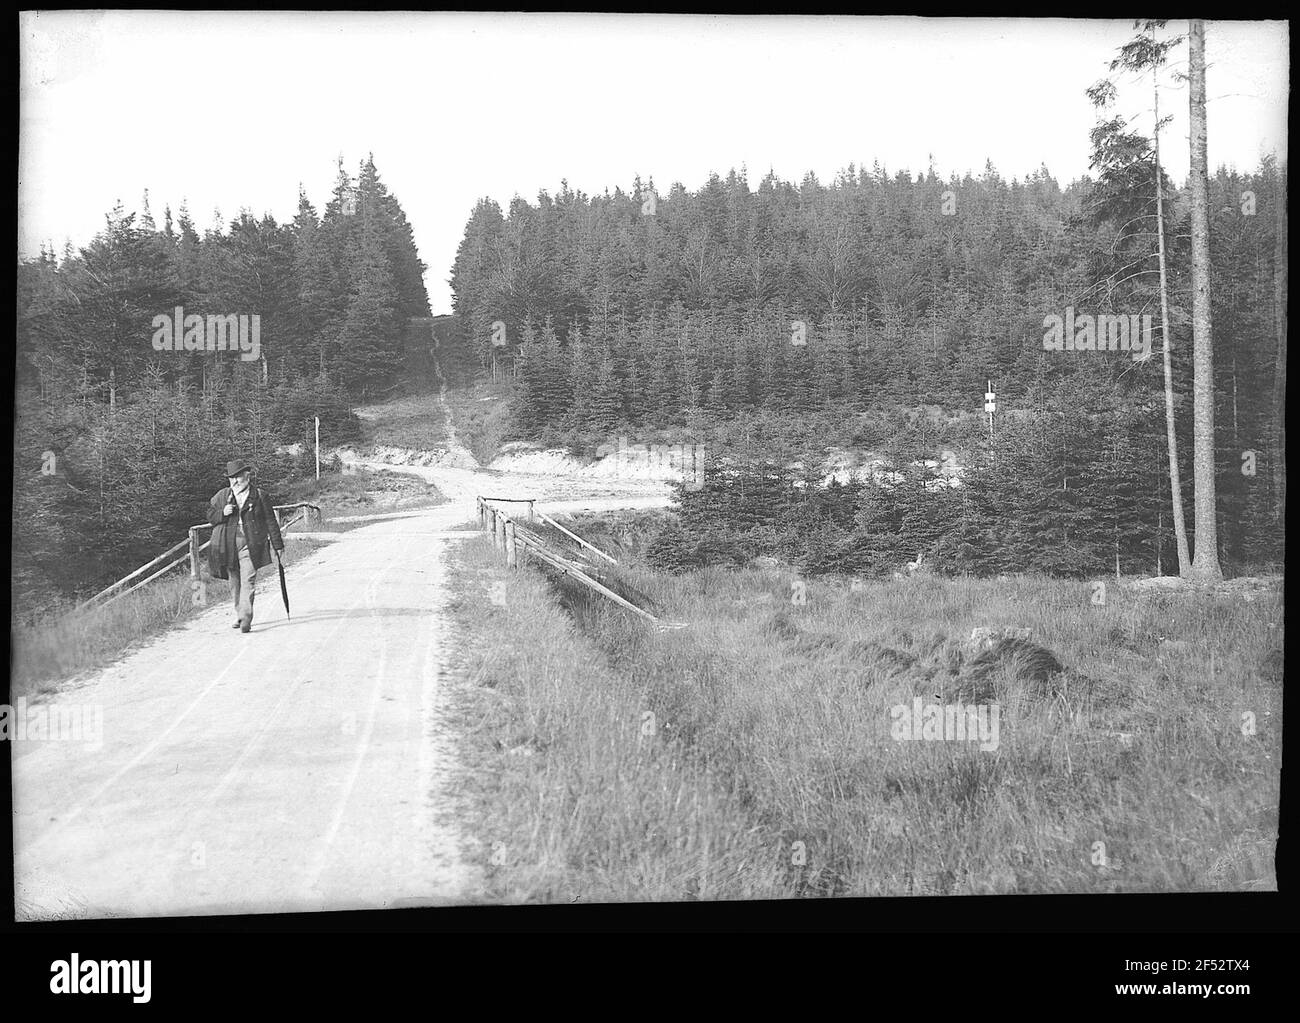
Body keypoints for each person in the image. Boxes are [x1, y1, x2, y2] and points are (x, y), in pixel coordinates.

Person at [207, 458, 284, 633]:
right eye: (231, 478)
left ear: (246, 476)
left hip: (251, 544)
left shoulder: (259, 495)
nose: (235, 481)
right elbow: (210, 516)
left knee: (248, 578)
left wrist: (277, 545)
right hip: (229, 546)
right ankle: (239, 613)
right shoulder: (223, 496)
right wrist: (222, 513)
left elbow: (270, 521)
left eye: (238, 477)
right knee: (234, 582)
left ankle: (246, 618)